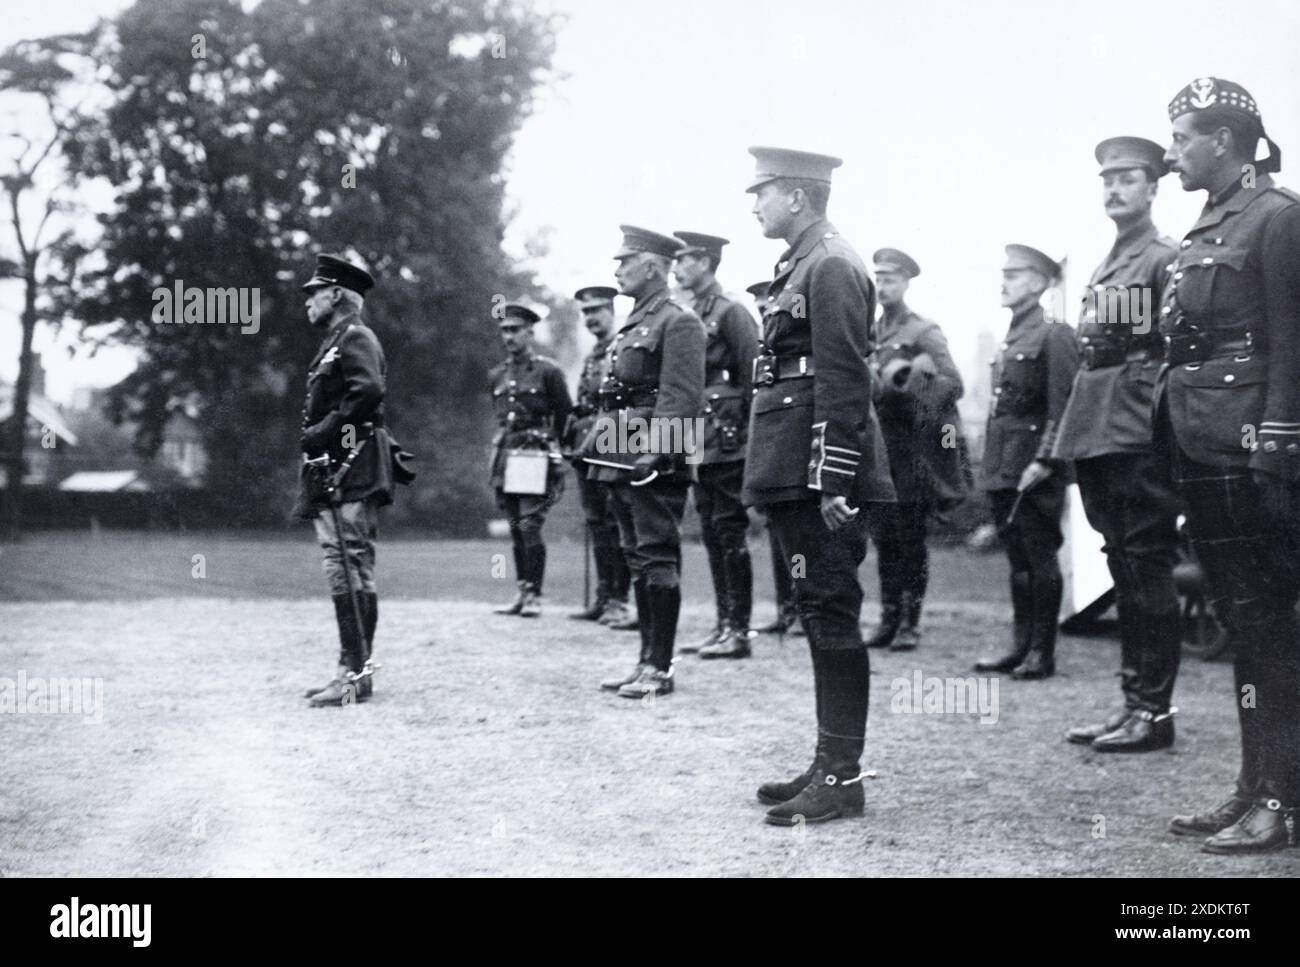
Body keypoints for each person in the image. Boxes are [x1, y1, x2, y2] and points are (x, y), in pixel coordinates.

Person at [1156, 77, 1300, 854]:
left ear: (1222, 141)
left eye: (1182, 139)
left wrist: (1277, 447)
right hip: (1204, 440)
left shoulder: (1277, 219)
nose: (1172, 153)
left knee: (1270, 623)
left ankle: (1281, 798)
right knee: (1245, 622)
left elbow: (1290, 339)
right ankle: (1255, 786)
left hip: (1250, 450)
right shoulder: (1210, 222)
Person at [742, 146, 896, 825]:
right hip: (792, 468)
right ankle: (829, 759)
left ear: (798, 196)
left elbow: (844, 375)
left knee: (831, 612)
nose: (755, 204)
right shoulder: (803, 262)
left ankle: (842, 775)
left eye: (763, 191)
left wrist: (833, 476)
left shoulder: (830, 262)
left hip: (816, 474)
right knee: (818, 611)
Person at [1055, 137, 1183, 752]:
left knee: (1145, 561)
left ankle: (1154, 712)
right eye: (1107, 179)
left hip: (1136, 421)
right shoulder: (1114, 256)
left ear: (1154, 187)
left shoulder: (1161, 256)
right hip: (1100, 419)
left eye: (1128, 178)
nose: (1114, 189)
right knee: (1122, 561)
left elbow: (1167, 342)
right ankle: (1134, 700)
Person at [586, 226, 706, 698]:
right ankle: (644, 662)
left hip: (651, 453)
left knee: (657, 555)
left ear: (652, 266)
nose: (617, 269)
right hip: (618, 445)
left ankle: (661, 667)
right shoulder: (636, 323)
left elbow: (682, 398)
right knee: (635, 556)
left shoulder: (679, 322)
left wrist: (655, 455)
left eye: (625, 261)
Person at [972, 245, 1080, 680]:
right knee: (1017, 559)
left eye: (1014, 275)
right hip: (1006, 464)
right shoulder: (1014, 334)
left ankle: (1042, 652)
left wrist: (1046, 461)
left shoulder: (1054, 335)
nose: (1004, 281)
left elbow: (1064, 405)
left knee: (1039, 556)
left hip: (1034, 467)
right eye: (1004, 273)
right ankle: (1020, 645)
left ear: (1038, 282)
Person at [296, 254, 397, 707]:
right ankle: (355, 670)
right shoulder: (338, 339)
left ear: (335, 294)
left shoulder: (356, 336)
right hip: (339, 464)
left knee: (350, 563)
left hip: (351, 464)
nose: (307, 303)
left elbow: (369, 390)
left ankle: (354, 673)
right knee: (344, 565)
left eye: (313, 293)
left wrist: (324, 430)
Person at [864, 248, 967, 651]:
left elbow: (952, 383)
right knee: (883, 537)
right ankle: (888, 618)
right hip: (879, 449)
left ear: (906, 283)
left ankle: (910, 622)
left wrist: (906, 385)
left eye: (891, 279)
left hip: (912, 451)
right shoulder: (871, 332)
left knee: (909, 538)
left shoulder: (923, 330)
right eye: (879, 279)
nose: (883, 286)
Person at [672, 232, 760, 659]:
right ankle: (723, 623)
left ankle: (739, 630)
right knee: (710, 531)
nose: (677, 266)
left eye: (685, 259)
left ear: (706, 262)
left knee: (730, 531)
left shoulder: (732, 314)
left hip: (728, 441)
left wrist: (748, 438)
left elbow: (753, 379)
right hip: (700, 441)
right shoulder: (690, 314)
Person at [488, 302, 572, 618]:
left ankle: (535, 594)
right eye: (504, 331)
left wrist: (564, 455)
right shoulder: (496, 374)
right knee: (514, 527)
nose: (509, 336)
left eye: (515, 330)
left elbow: (565, 415)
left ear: (529, 332)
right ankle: (523, 591)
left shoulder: (548, 372)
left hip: (535, 455)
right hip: (507, 454)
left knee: (530, 526)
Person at [564, 286, 634, 627]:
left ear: (611, 311)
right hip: (586, 445)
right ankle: (604, 596)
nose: (591, 318)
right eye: (586, 312)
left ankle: (621, 599)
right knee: (596, 522)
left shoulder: (622, 348)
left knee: (615, 520)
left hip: (614, 438)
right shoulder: (592, 355)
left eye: (597, 310)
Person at [745, 280, 802, 637]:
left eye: (766, 305)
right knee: (777, 533)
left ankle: (802, 608)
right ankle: (787, 608)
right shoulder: (762, 347)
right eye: (758, 306)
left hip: (789, 443)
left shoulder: (791, 345)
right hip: (766, 444)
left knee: (799, 538)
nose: (763, 311)